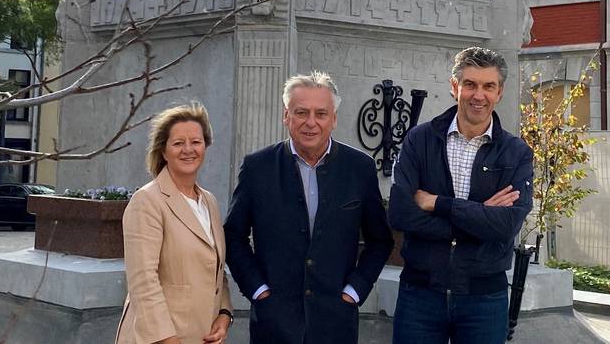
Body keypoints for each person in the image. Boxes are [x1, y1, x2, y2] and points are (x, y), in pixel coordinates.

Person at [224, 72, 394, 344]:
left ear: (334, 119)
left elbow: (380, 240)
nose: (311, 123)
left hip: (335, 323)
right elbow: (233, 236)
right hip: (274, 324)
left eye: (321, 113)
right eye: (301, 112)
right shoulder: (258, 167)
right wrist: (257, 290)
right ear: (286, 115)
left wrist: (355, 291)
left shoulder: (359, 168)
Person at [388, 47, 534, 343]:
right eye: (470, 84)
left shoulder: (516, 152)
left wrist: (438, 203)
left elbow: (505, 226)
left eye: (488, 86)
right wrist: (479, 214)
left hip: (484, 299)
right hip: (420, 294)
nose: (478, 95)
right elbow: (401, 214)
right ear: (455, 87)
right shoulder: (420, 140)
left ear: (500, 92)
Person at [116, 102, 234, 344]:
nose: (188, 150)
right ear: (163, 151)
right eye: (178, 143)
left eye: (196, 142)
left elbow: (215, 268)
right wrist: (167, 339)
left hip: (203, 335)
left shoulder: (208, 201)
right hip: (160, 338)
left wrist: (224, 314)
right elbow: (142, 281)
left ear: (205, 146)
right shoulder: (147, 201)